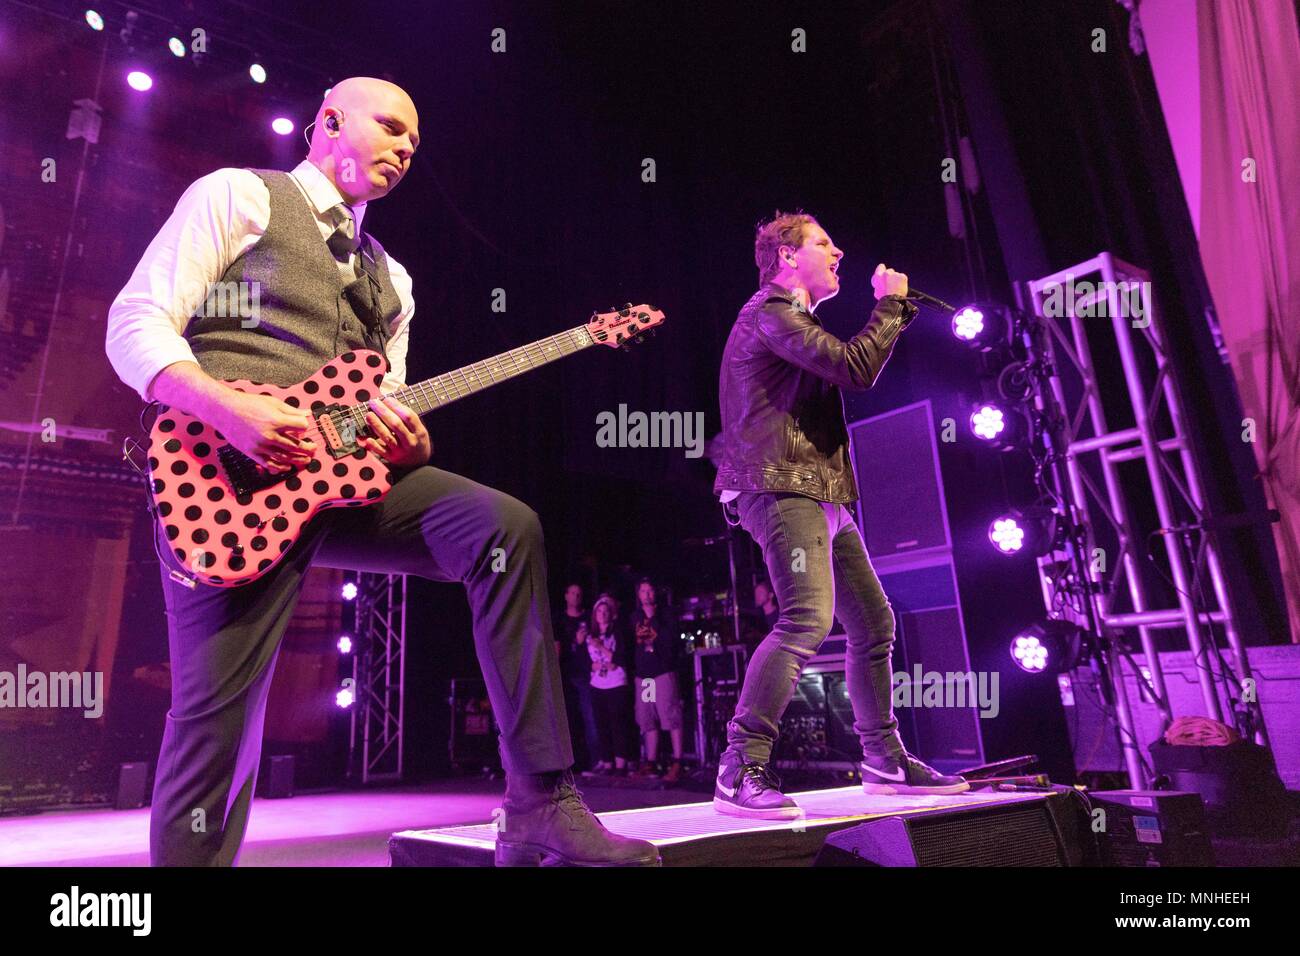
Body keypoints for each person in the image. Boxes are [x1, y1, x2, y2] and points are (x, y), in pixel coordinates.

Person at [104, 77, 656, 866]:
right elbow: (135, 322)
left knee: (503, 527)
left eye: (415, 142)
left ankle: (540, 800)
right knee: (216, 718)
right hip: (218, 480)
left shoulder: (391, 281)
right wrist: (228, 407)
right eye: (391, 127)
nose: (405, 149)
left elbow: (381, 414)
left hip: (335, 488)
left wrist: (407, 445)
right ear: (328, 122)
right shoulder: (240, 197)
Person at [710, 210, 968, 819]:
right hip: (780, 487)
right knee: (806, 619)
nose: (840, 252)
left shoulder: (793, 320)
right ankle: (738, 765)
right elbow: (856, 367)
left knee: (874, 623)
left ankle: (883, 760)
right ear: (786, 257)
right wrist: (892, 306)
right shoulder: (769, 313)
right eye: (824, 243)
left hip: (818, 491)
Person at [630, 578, 685, 782]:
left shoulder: (666, 614)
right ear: (638, 594)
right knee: (647, 718)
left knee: (670, 716)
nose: (647, 594)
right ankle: (651, 763)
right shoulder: (634, 617)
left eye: (650, 590)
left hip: (662, 672)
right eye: (643, 591)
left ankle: (678, 762)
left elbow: (671, 642)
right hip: (644, 676)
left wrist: (654, 619)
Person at [586, 595, 636, 775]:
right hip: (597, 684)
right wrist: (593, 664)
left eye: (606, 611)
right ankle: (607, 763)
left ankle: (621, 764)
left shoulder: (618, 633)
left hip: (616, 683)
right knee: (602, 724)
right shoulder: (590, 635)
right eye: (599, 611)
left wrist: (601, 648)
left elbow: (621, 658)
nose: (602, 614)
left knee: (619, 724)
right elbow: (585, 661)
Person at [554, 582, 600, 769]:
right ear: (566, 596)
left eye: (579, 593)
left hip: (587, 675)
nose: (576, 597)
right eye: (572, 593)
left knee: (591, 718)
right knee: (568, 720)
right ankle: (571, 764)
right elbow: (556, 647)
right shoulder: (558, 619)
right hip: (567, 675)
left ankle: (596, 761)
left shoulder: (589, 618)